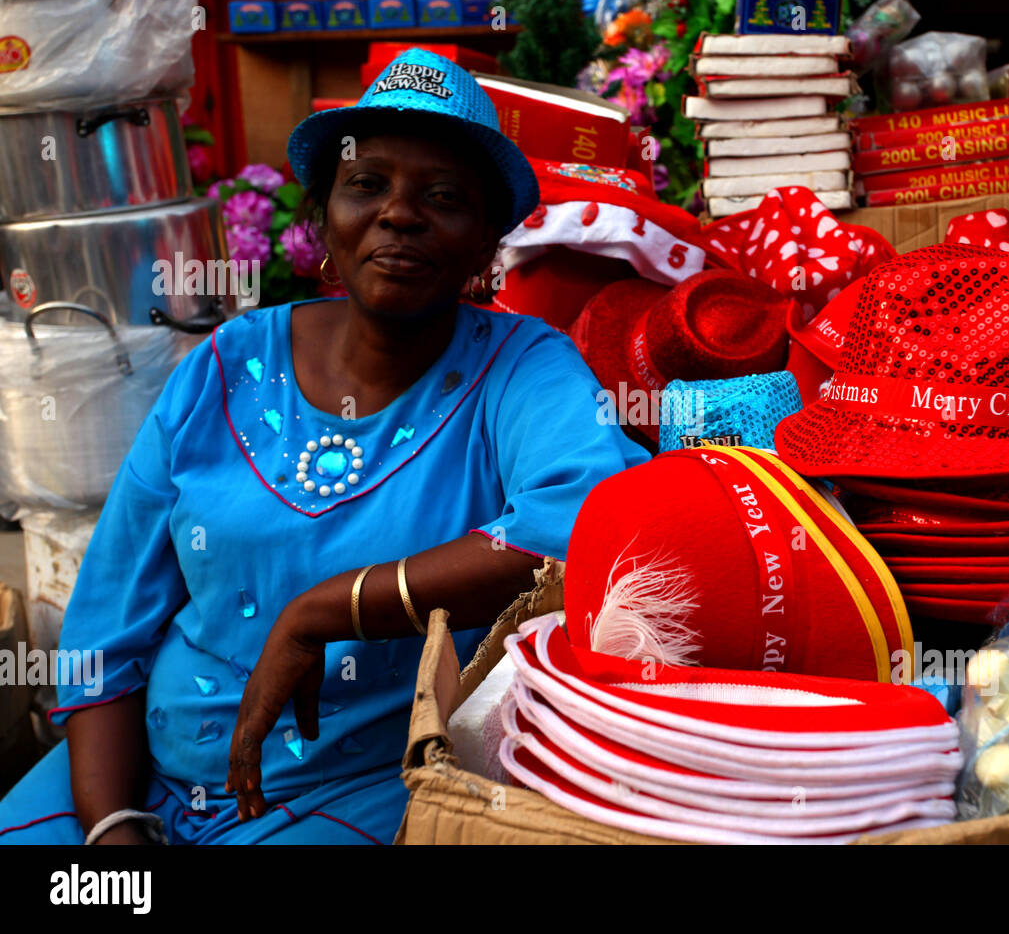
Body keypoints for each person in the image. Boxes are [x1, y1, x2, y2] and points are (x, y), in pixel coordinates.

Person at [0, 49, 649, 844]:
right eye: (366, 183)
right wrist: (111, 831)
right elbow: (108, 626)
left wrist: (324, 612)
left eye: (443, 196)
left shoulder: (522, 371)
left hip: (346, 793)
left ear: (486, 245)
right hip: (135, 780)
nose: (400, 214)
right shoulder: (225, 365)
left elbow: (584, 526)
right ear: (323, 218)